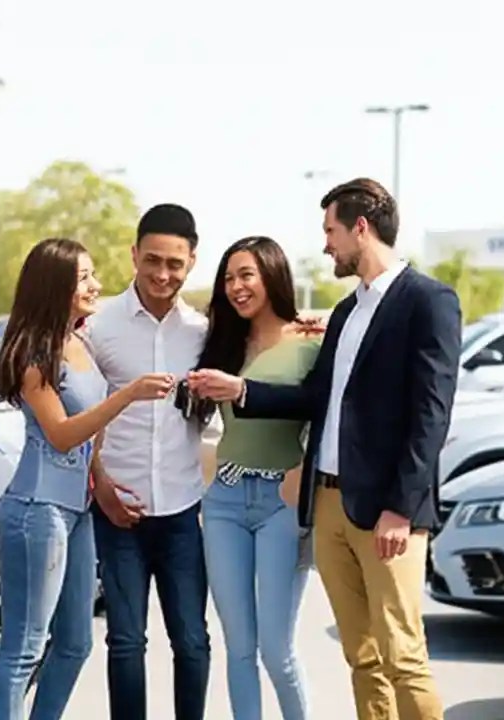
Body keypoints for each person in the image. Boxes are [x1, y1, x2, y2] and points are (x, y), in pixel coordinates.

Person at [189, 178, 460, 720]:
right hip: (329, 504)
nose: (327, 244)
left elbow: (431, 414)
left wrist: (400, 509)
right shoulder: (344, 312)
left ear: (361, 227)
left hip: (386, 511)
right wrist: (242, 390)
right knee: (361, 656)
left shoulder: (428, 301)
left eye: (331, 231)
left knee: (402, 654)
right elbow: (317, 399)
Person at [0, 237, 176, 720]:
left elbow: (89, 439)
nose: (97, 285)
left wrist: (104, 481)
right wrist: (129, 394)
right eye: (85, 278)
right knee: (24, 646)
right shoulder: (32, 352)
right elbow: (63, 435)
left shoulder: (80, 342)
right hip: (36, 509)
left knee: (75, 642)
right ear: (55, 288)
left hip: (77, 508)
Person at [82, 204, 213, 720]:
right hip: (118, 509)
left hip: (183, 510)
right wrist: (100, 485)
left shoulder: (201, 334)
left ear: (192, 262)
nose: (163, 274)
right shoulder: (99, 327)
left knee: (193, 641)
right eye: (152, 260)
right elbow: (82, 413)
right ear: (133, 255)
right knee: (125, 642)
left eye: (175, 264)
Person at [195, 236, 319, 720]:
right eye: (228, 278)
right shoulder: (225, 343)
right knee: (239, 647)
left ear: (271, 274)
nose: (236, 287)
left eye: (246, 274)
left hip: (279, 503)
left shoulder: (311, 342)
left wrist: (303, 471)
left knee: (275, 648)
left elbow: (332, 419)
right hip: (223, 501)